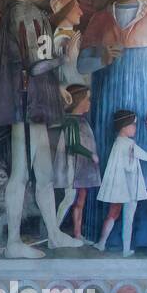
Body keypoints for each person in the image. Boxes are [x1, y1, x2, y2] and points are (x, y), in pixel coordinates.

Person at [0, 0, 83, 258]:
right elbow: (35, 67)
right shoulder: (25, 13)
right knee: (22, 173)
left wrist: (57, 86)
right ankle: (13, 243)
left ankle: (53, 234)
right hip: (25, 105)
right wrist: (64, 58)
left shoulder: (19, 11)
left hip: (30, 105)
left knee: (44, 172)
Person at [78, 0, 147, 249]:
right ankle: (102, 235)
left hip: (143, 104)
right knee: (108, 162)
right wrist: (102, 57)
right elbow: (83, 64)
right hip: (108, 104)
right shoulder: (99, 20)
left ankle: (143, 236)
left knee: (142, 165)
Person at [94, 110, 147, 255]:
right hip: (130, 187)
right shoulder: (129, 144)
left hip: (119, 187)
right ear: (124, 126)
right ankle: (125, 250)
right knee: (128, 219)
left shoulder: (117, 143)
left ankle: (101, 243)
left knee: (112, 214)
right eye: (133, 125)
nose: (135, 128)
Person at [53, 83, 98, 241]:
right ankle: (54, 230)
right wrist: (91, 154)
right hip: (72, 166)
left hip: (83, 168)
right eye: (87, 99)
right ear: (78, 101)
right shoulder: (71, 122)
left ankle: (78, 234)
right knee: (69, 198)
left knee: (81, 199)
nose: (89, 102)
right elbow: (73, 145)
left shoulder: (83, 121)